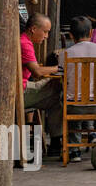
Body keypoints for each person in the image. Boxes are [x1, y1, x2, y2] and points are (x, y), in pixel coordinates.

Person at [59, 16, 96, 155]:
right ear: (91, 33)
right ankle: (93, 134)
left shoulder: (65, 54)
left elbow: (62, 76)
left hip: (74, 107)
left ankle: (74, 150)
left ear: (71, 35)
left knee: (69, 97)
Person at [21, 13, 65, 157]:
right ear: (33, 29)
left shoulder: (24, 40)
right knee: (56, 86)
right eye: (45, 32)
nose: (46, 36)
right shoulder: (25, 43)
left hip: (23, 88)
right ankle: (58, 141)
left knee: (55, 102)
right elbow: (37, 72)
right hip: (21, 92)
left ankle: (56, 142)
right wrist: (60, 68)